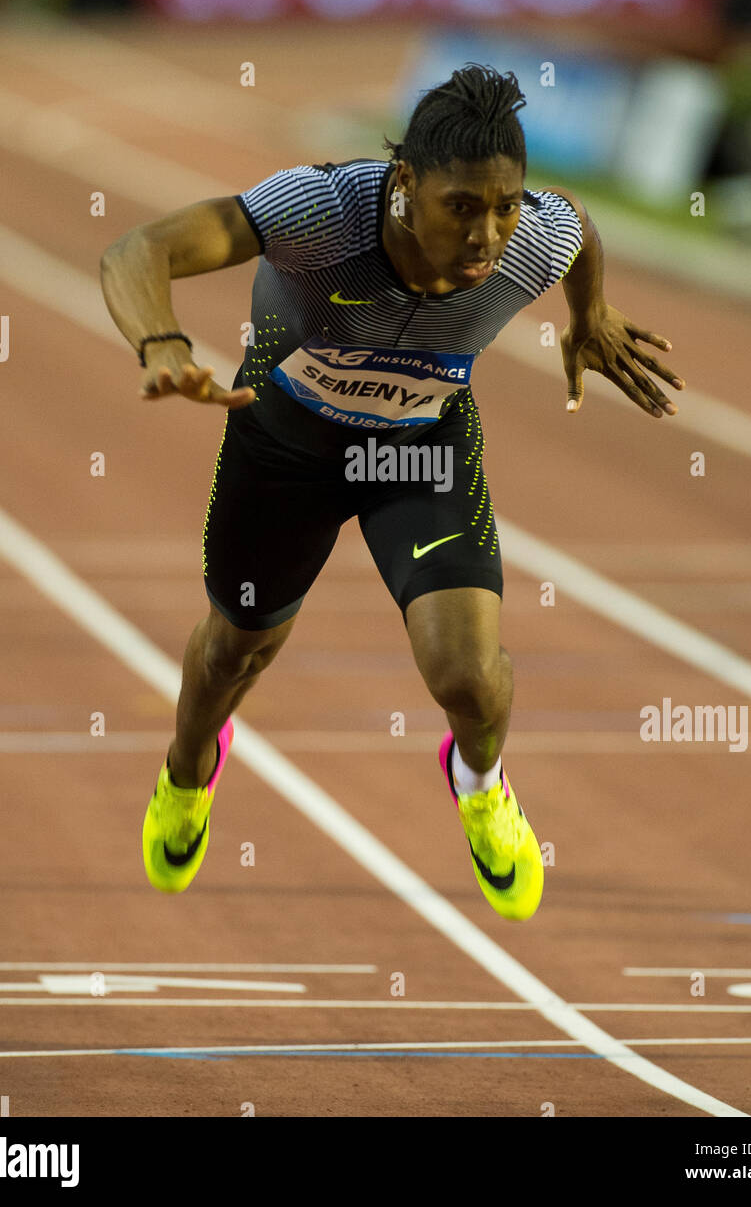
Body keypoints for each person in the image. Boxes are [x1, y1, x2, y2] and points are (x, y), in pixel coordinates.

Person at [99, 64, 683, 921]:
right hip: (285, 449)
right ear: (406, 184)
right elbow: (136, 250)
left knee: (470, 676)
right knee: (234, 651)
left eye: (504, 207)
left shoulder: (532, 234)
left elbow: (578, 226)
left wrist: (589, 317)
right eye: (462, 208)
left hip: (420, 449)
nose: (488, 235)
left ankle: (477, 782)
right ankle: (189, 772)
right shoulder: (320, 213)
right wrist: (159, 344)